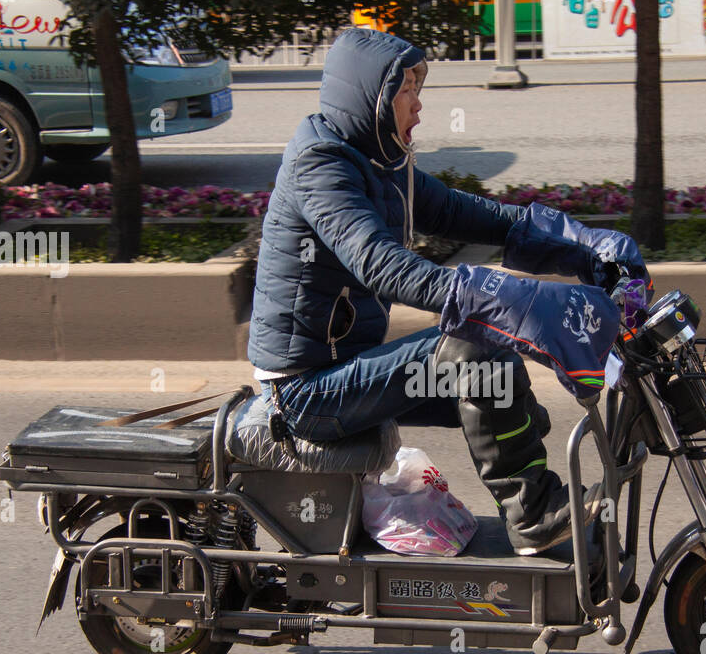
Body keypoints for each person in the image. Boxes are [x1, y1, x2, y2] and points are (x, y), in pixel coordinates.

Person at [247, 27, 648, 555]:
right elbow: (380, 265)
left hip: (349, 367)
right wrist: (499, 297)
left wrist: (584, 248)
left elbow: (481, 218)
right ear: (370, 96)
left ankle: (534, 495)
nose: (419, 106)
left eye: (419, 88)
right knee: (475, 349)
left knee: (502, 385)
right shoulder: (321, 165)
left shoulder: (383, 164)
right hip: (307, 391)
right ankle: (533, 517)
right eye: (408, 91)